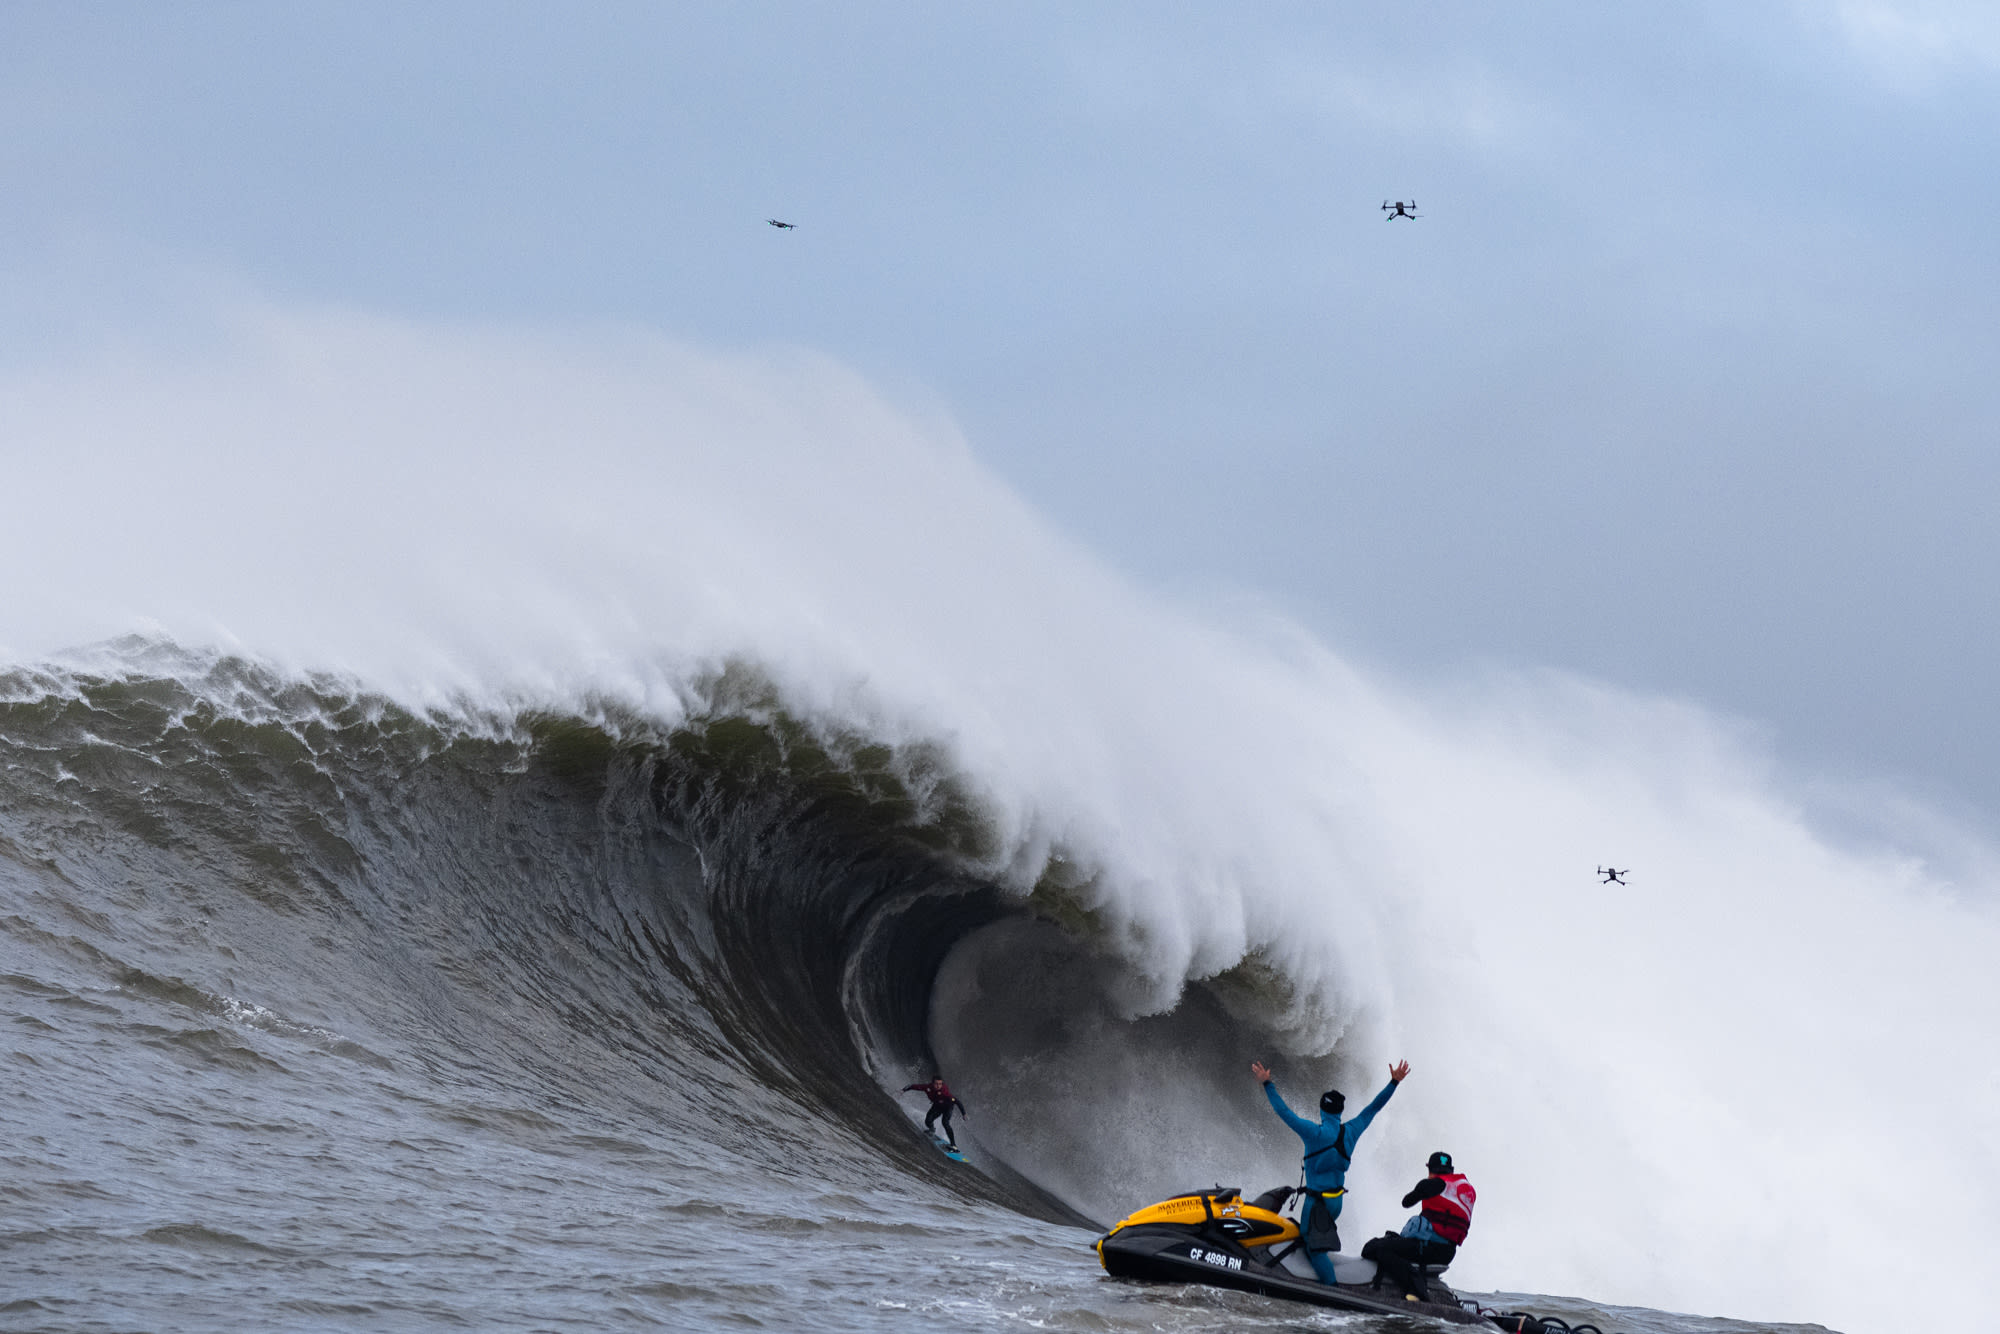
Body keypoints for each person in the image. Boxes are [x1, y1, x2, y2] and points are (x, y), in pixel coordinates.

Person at [1250, 1057, 1410, 1285]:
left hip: (1317, 1204)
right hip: (1336, 1202)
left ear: (1322, 1109)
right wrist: (1393, 1082)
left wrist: (1267, 1083)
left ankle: (1331, 1289)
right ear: (1340, 1111)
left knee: (1314, 1249)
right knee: (1312, 1242)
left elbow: (1284, 1112)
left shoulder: (1313, 1133)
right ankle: (1310, 1274)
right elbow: (1373, 1109)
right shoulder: (1351, 1131)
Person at [1362, 1151, 1475, 1301]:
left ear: (1430, 1170)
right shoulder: (1467, 1189)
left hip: (1429, 1248)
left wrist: (1424, 1188)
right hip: (1448, 1252)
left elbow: (1406, 1202)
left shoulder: (1430, 1185)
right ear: (1451, 1170)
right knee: (1391, 1243)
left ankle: (1415, 1289)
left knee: (1376, 1249)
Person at [901, 1076, 968, 1147]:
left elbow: (957, 1102)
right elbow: (912, 1086)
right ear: (932, 1084)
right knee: (928, 1121)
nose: (938, 1086)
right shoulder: (927, 1087)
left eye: (940, 1084)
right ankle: (932, 1129)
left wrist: (964, 1114)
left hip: (948, 1108)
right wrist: (903, 1090)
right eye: (936, 1084)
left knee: (945, 1123)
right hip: (937, 1106)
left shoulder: (945, 1093)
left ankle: (953, 1145)